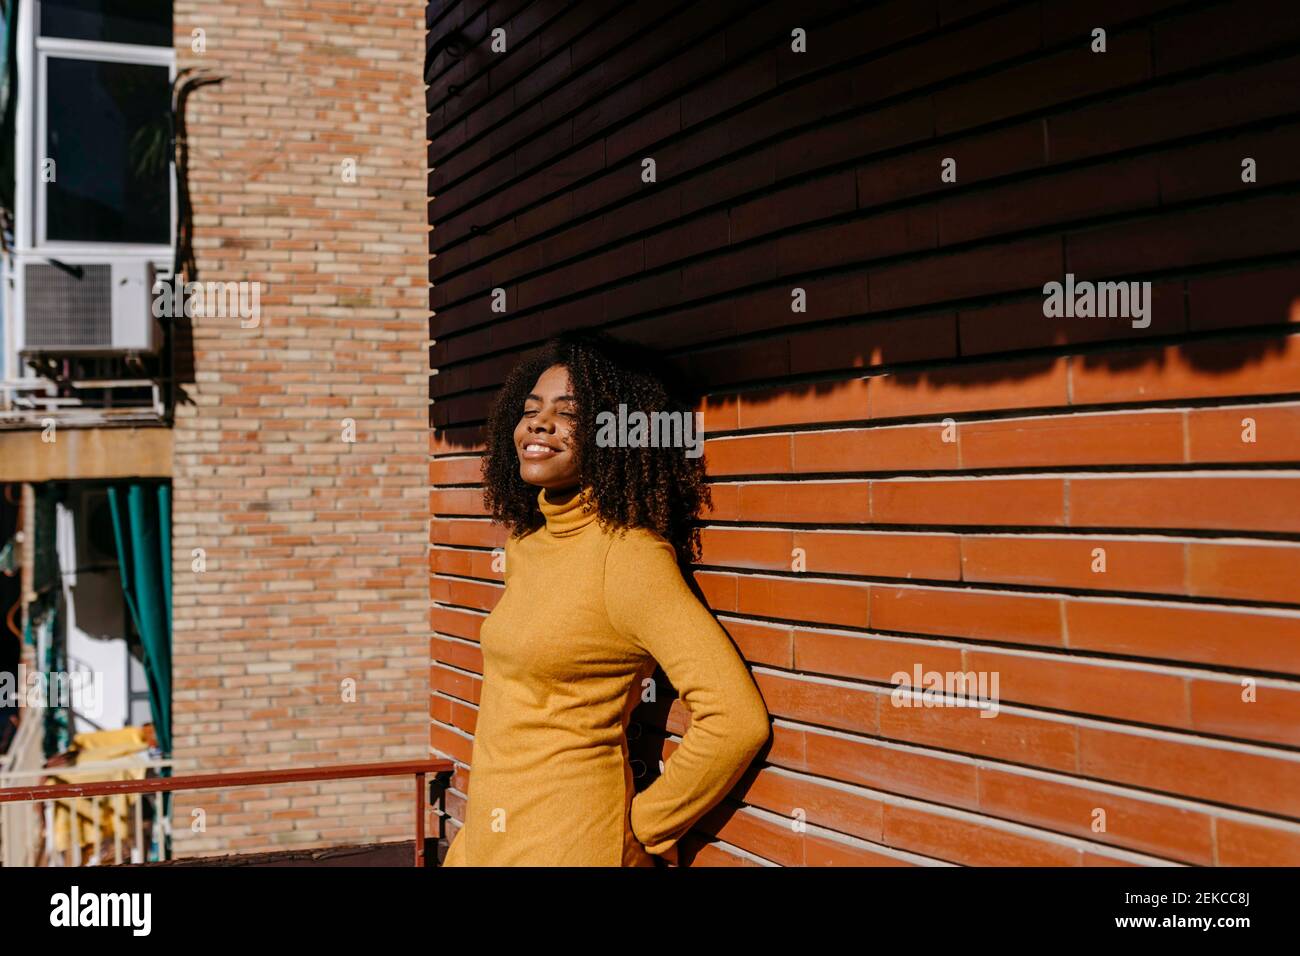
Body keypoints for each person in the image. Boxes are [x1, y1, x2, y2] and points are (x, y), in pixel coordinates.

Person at [440, 329, 771, 867]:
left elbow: (735, 718)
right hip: (488, 839)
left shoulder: (628, 557)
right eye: (530, 410)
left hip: (570, 844)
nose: (538, 425)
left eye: (567, 413)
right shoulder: (527, 543)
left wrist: (645, 825)